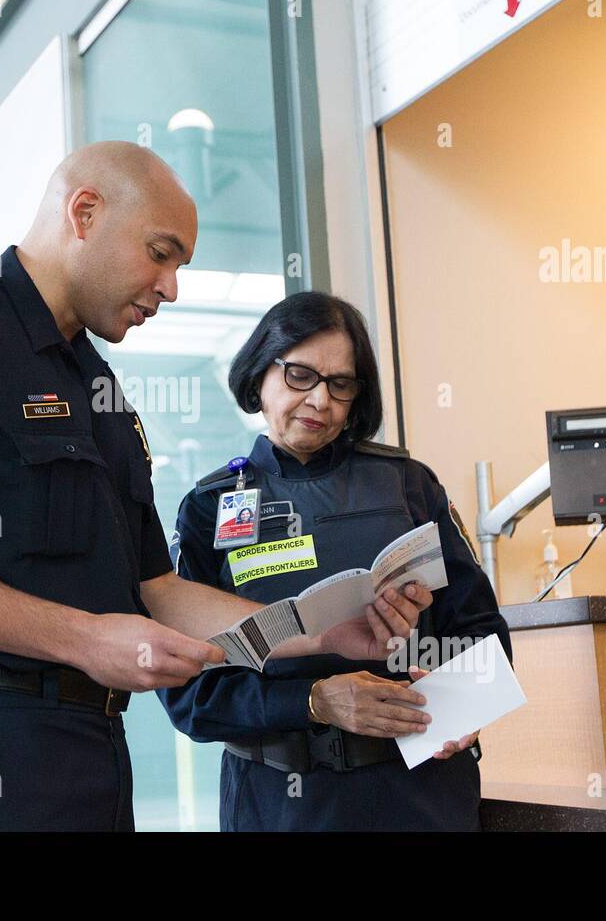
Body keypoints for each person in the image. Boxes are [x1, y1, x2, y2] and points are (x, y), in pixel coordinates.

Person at [0, 142, 428, 831]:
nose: (170, 287)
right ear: (84, 212)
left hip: (88, 750)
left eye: (180, 266)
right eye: (160, 253)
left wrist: (310, 634)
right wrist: (82, 639)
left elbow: (157, 593)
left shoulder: (96, 391)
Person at [161, 291, 512, 831]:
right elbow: (190, 694)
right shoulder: (210, 508)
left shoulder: (408, 485)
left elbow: (482, 633)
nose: (320, 400)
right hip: (280, 803)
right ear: (261, 374)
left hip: (420, 795)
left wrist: (465, 710)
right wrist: (311, 700)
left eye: (340, 384)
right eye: (300, 375)